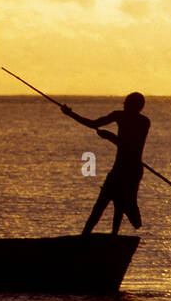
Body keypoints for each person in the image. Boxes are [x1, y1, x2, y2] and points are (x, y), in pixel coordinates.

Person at [61, 93, 150, 234]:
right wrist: (70, 114)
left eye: (127, 103)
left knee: (119, 204)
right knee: (104, 203)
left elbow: (129, 145)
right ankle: (86, 234)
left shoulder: (144, 122)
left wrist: (109, 136)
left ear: (136, 106)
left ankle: (115, 232)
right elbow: (93, 124)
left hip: (131, 170)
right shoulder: (119, 116)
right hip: (122, 168)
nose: (124, 105)